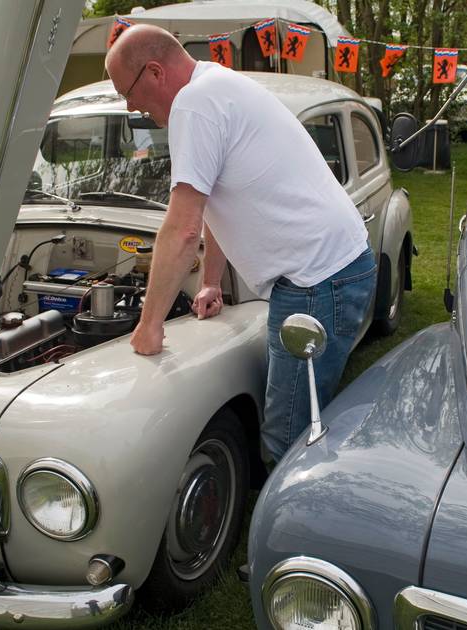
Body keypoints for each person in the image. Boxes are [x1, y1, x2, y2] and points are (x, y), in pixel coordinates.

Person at [105, 25, 375, 464]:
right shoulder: (213, 81)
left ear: (154, 72)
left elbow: (183, 228)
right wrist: (210, 280)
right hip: (331, 271)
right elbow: (218, 203)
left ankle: (290, 520)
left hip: (318, 281)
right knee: (296, 413)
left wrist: (150, 325)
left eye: (128, 92)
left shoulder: (194, 105)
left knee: (288, 435)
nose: (130, 105)